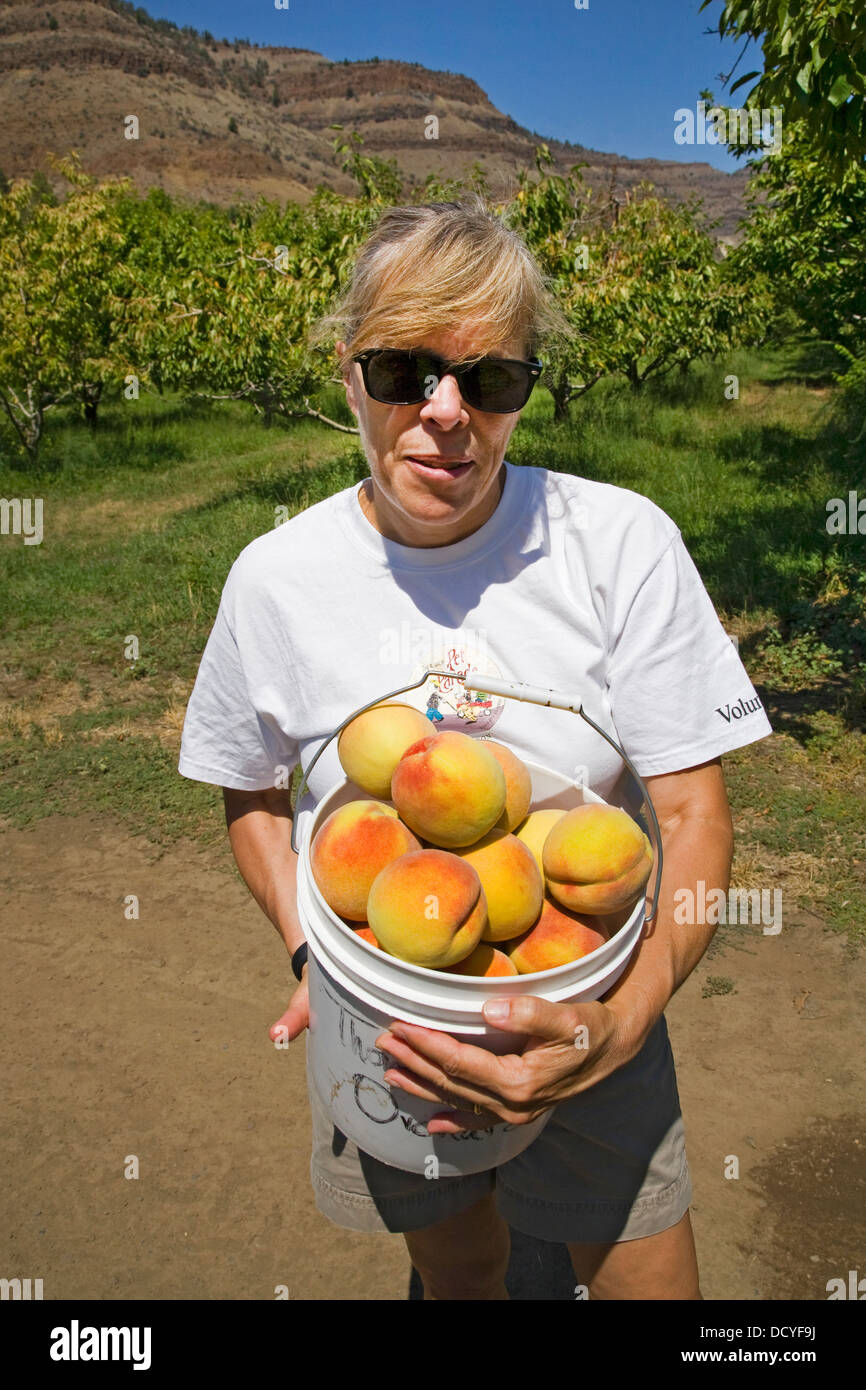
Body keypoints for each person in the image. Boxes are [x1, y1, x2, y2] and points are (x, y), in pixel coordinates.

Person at [178, 197, 773, 1300]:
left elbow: (691, 815)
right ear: (348, 374)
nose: (445, 413)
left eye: (491, 378)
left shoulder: (618, 543)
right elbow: (250, 788)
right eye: (405, 370)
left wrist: (612, 1027)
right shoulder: (278, 576)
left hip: (591, 993)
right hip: (385, 1023)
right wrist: (313, 948)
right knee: (458, 1269)